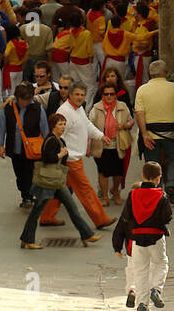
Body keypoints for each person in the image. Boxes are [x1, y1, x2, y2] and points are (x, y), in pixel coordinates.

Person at [37, 81, 116, 231]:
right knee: (86, 190)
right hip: (70, 159)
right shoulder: (65, 111)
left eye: (82, 95)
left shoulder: (78, 109)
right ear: (70, 95)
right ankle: (101, 219)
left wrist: (100, 136)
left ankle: (47, 217)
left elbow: (87, 125)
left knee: (59, 188)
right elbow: (59, 134)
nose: (80, 98)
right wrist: (62, 155)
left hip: (71, 158)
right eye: (77, 95)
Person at [19, 112, 103, 250]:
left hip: (56, 181)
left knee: (72, 207)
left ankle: (87, 234)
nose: (63, 127)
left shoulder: (59, 140)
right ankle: (27, 239)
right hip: (49, 182)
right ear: (53, 126)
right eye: (60, 124)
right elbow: (47, 158)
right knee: (37, 211)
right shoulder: (52, 140)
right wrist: (61, 154)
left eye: (64, 124)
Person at [112, 161, 172, 311]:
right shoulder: (162, 196)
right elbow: (167, 217)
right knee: (161, 263)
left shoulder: (133, 195)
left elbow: (126, 216)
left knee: (140, 271)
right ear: (158, 178)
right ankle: (156, 289)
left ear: (143, 176)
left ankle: (142, 304)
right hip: (156, 237)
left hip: (137, 238)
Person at [134, 60, 174, 203]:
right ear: (165, 73)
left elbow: (139, 113)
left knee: (153, 161)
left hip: (151, 131)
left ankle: (157, 190)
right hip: (172, 130)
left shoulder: (142, 90)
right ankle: (172, 184)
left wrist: (144, 134)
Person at [0, 83, 49, 209]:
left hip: (32, 150)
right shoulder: (8, 108)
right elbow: (2, 127)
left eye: (27, 99)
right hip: (15, 149)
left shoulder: (37, 108)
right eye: (22, 99)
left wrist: (47, 146)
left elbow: (44, 128)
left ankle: (28, 197)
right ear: (17, 97)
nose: (25, 102)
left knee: (29, 172)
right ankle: (25, 193)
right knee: (19, 173)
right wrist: (0, 145)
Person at [89, 73, 135, 205]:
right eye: (106, 94)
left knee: (118, 173)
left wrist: (125, 125)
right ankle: (104, 197)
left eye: (112, 94)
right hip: (101, 145)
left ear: (116, 95)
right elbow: (89, 125)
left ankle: (115, 192)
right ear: (102, 95)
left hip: (118, 144)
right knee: (103, 172)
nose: (109, 97)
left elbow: (131, 122)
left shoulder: (122, 107)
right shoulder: (96, 108)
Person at [20, 11, 53, 86]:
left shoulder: (22, 28)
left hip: (26, 59)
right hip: (41, 59)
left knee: (26, 84)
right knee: (40, 83)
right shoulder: (47, 30)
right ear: (41, 17)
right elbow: (49, 49)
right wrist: (50, 63)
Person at [2, 23, 29, 97]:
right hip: (19, 70)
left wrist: (5, 62)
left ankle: (12, 107)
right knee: (18, 91)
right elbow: (25, 59)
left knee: (11, 92)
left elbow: (6, 54)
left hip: (10, 70)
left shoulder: (10, 43)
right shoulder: (25, 43)